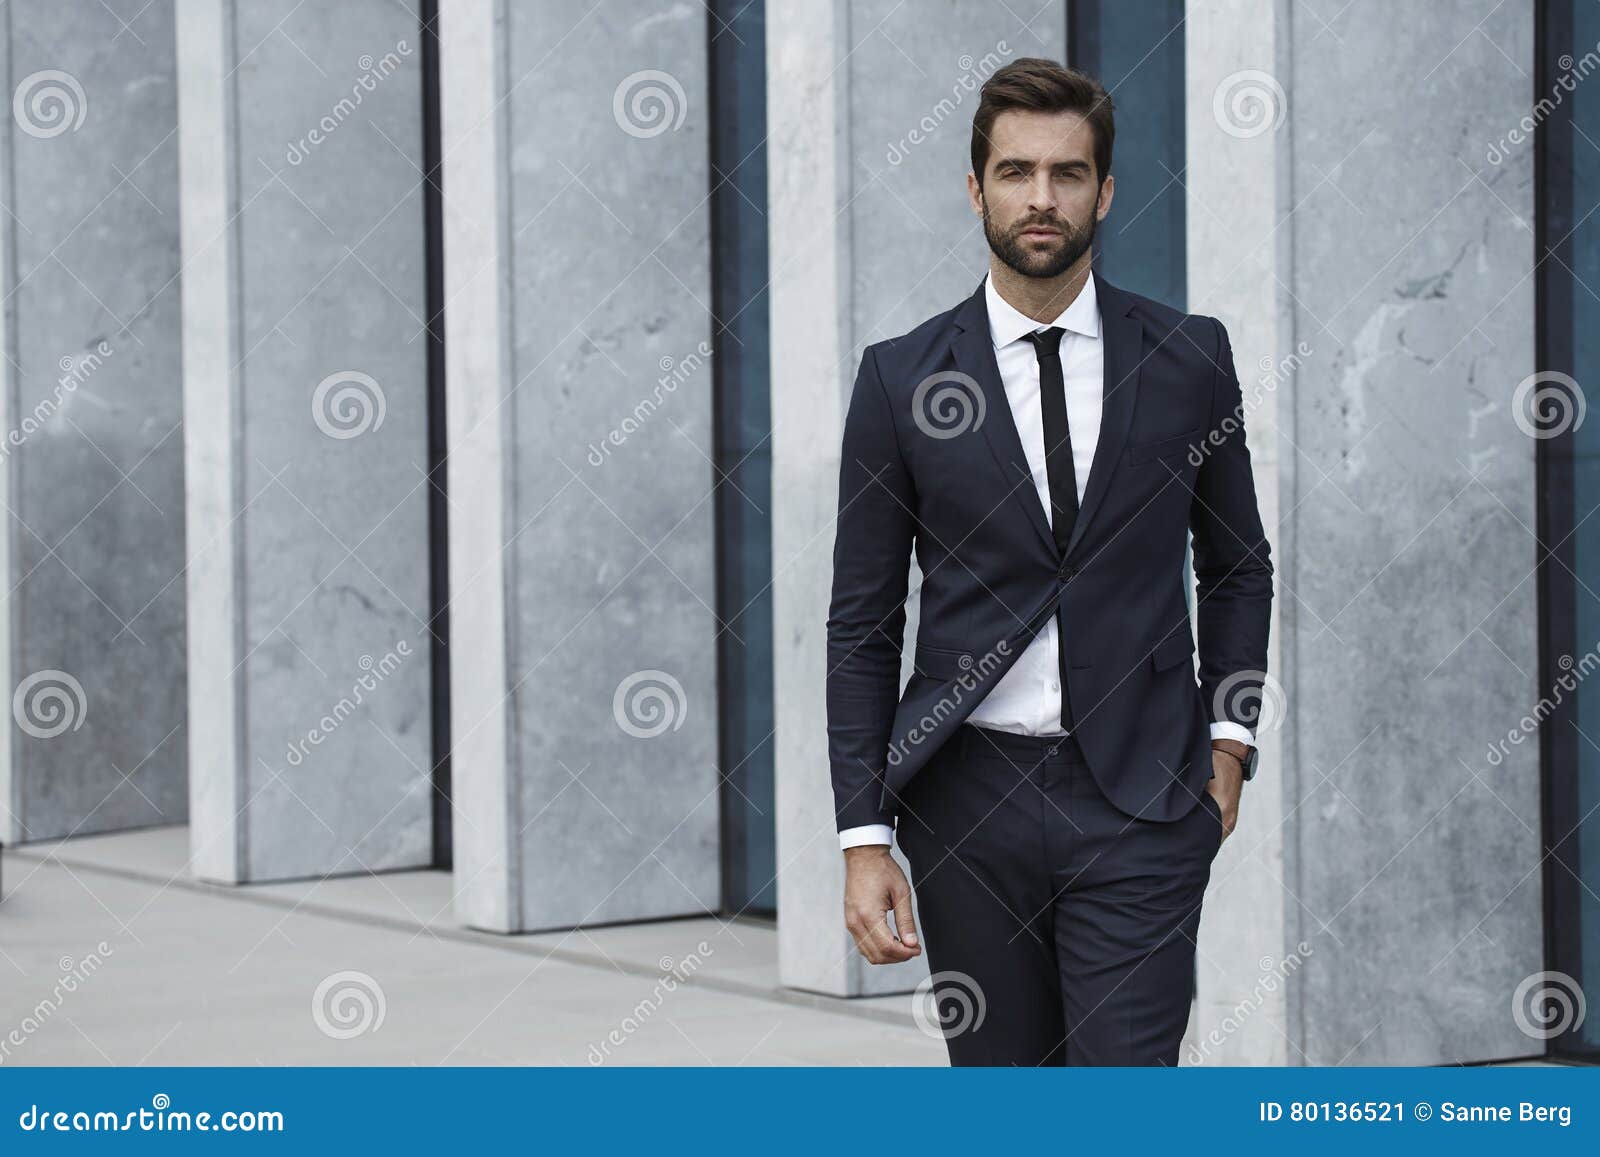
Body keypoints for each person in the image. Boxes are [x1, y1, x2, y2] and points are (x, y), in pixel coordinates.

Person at [826, 57, 1273, 1066]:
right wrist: (863, 838)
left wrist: (1229, 738)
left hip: (1145, 798)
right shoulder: (901, 380)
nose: (1042, 197)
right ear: (975, 187)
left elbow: (1238, 564)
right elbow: (861, 620)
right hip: (965, 806)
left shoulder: (1189, 358)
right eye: (1016, 171)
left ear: (1104, 191)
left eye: (1068, 173)